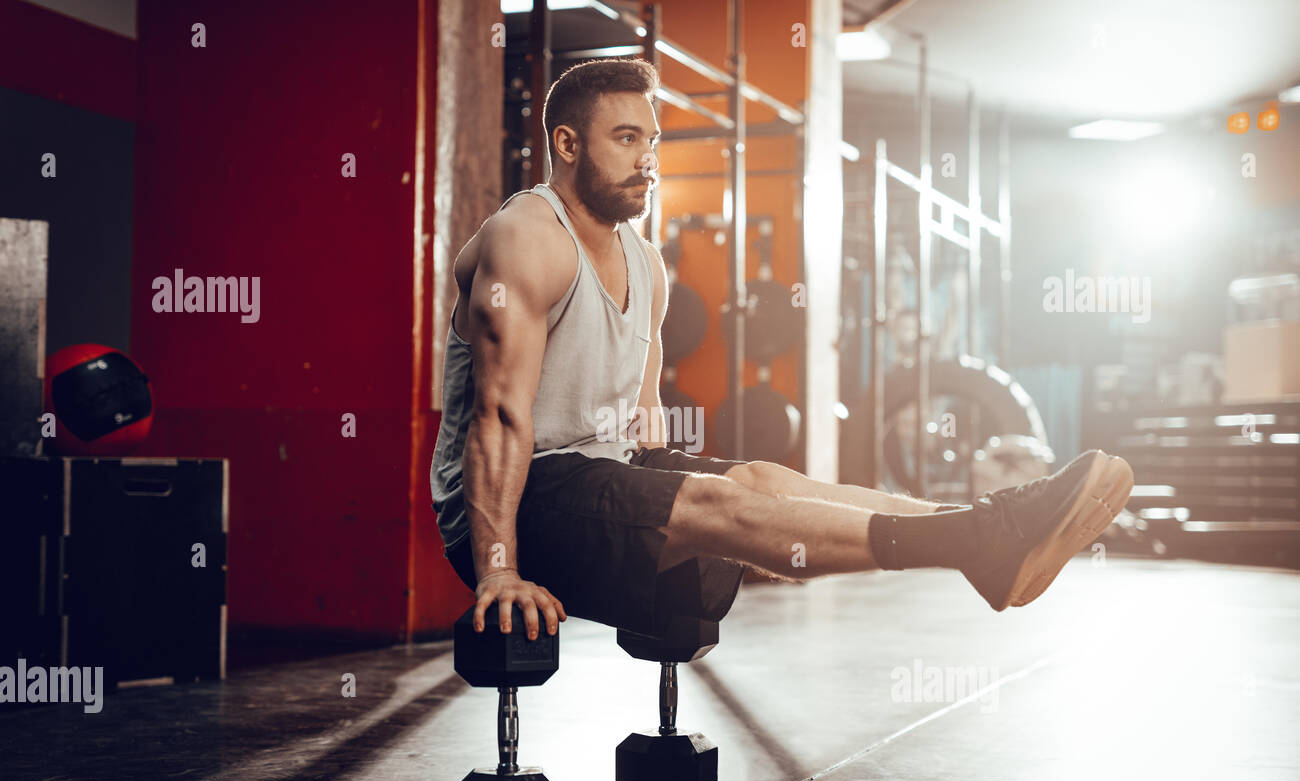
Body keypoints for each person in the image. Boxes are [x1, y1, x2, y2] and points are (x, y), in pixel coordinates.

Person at [430, 58, 1133, 641]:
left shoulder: (646, 264)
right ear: (568, 145)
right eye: (624, 139)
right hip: (511, 506)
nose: (647, 161)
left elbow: (638, 428)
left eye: (652, 142)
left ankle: (989, 527)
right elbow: (498, 421)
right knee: (713, 498)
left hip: (593, 479)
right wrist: (497, 568)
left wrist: (721, 499)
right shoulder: (527, 236)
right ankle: (979, 540)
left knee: (762, 479)